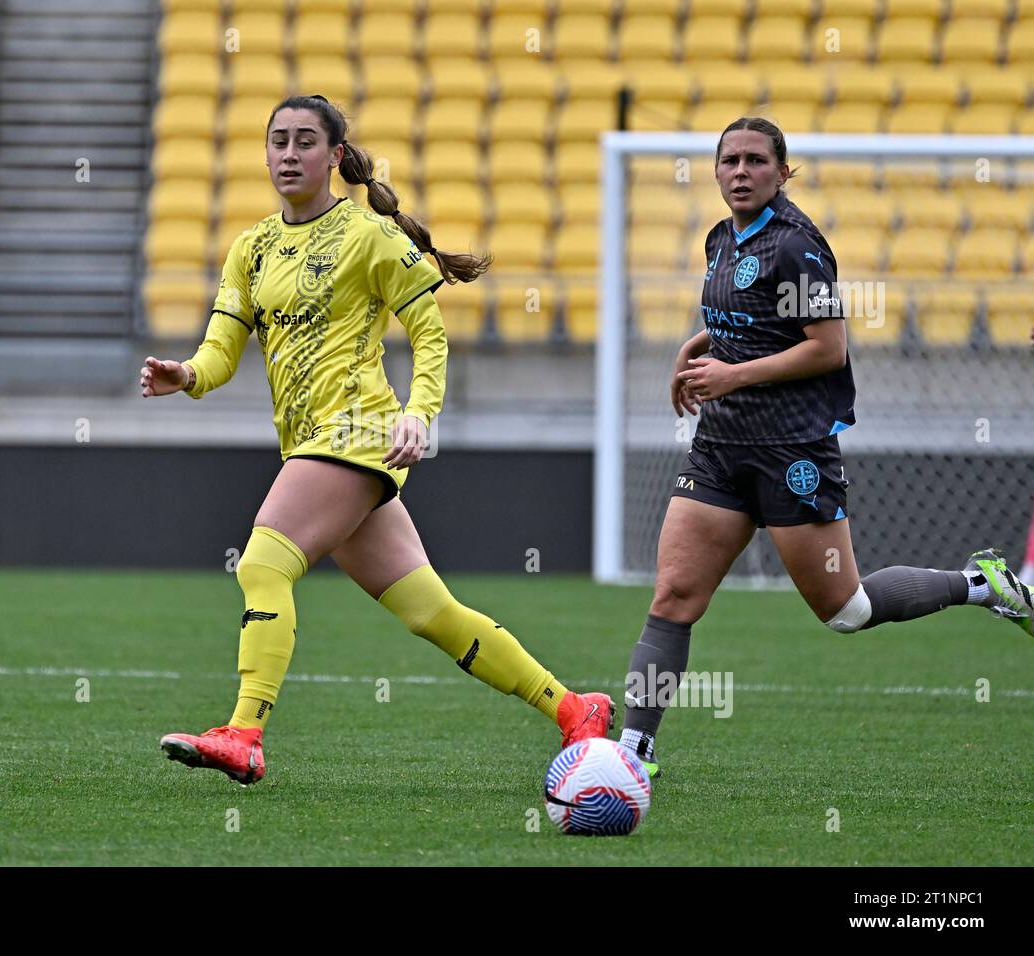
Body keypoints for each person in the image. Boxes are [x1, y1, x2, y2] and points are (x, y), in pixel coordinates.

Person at [141, 94, 613, 784]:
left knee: (262, 565)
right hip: (316, 441)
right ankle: (574, 708)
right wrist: (185, 373)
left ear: (335, 157)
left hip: (359, 430)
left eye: (305, 141)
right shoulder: (251, 248)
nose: (289, 154)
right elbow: (219, 353)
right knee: (430, 611)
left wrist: (420, 412)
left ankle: (244, 732)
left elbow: (429, 332)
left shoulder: (370, 235)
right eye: (278, 141)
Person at [618, 117, 1033, 781]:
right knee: (673, 597)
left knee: (848, 612)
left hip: (794, 455)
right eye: (730, 161)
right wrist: (694, 348)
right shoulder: (720, 238)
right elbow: (742, 320)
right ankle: (635, 748)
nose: (741, 172)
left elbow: (825, 347)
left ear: (783, 171)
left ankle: (979, 585)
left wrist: (729, 376)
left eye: (756, 161)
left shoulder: (797, 246)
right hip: (720, 450)